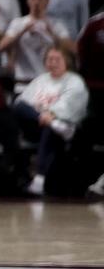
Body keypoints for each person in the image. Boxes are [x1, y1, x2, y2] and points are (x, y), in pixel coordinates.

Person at [13, 47, 88, 197]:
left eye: (57, 59)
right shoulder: (41, 80)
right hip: (40, 123)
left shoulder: (74, 81)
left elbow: (71, 105)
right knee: (18, 106)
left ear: (66, 61)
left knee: (51, 129)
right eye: (49, 59)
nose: (52, 63)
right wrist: (43, 116)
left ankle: (39, 180)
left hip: (64, 125)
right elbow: (23, 102)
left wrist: (52, 114)